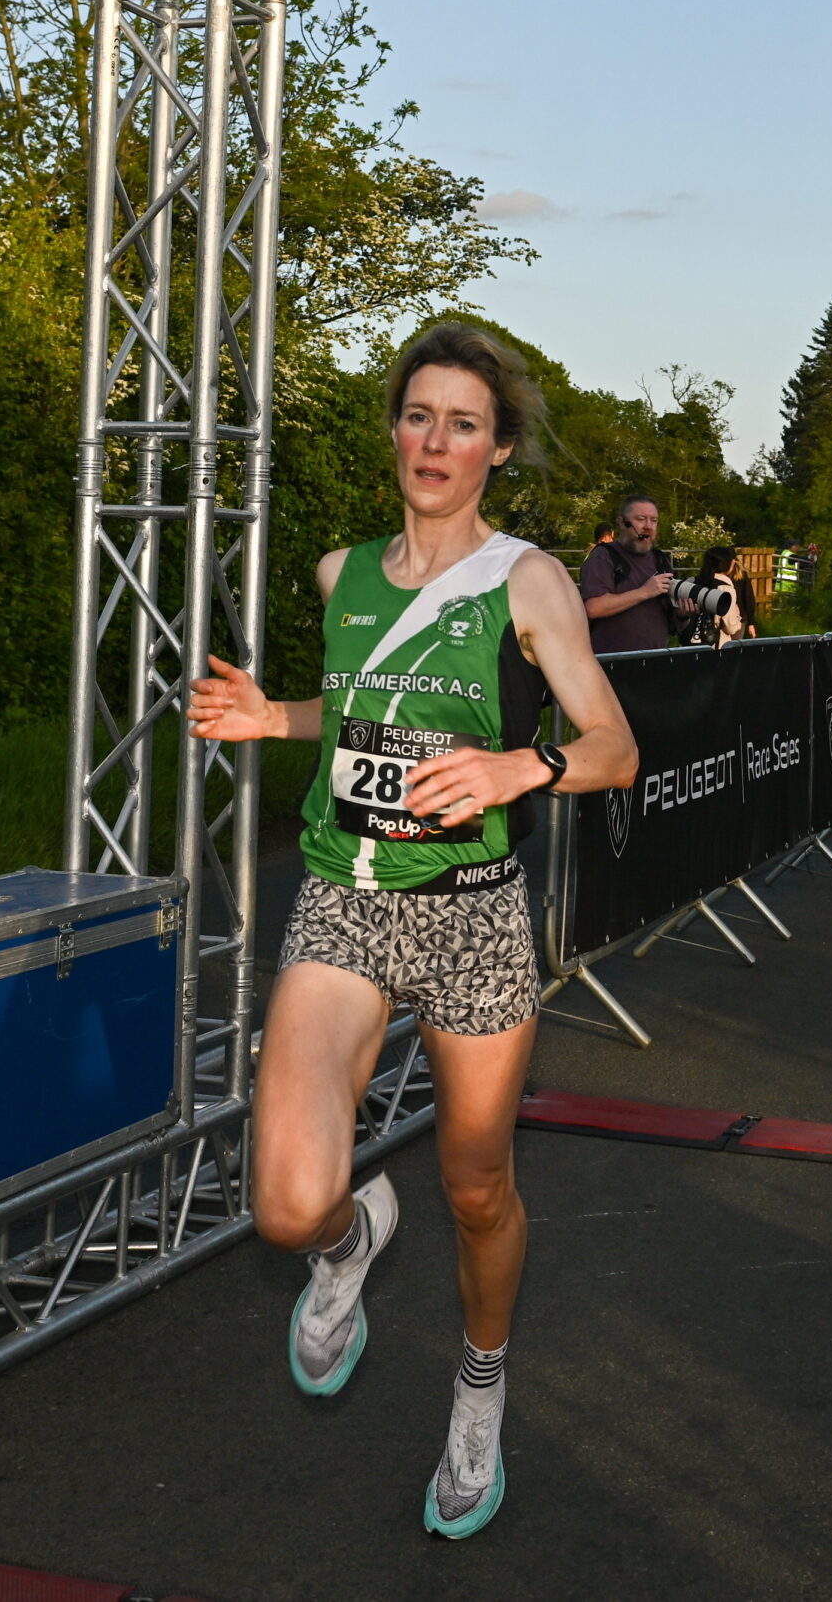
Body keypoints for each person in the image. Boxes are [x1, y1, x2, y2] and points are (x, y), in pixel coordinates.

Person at [185, 323, 639, 1542]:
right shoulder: (343, 574)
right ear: (394, 429)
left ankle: (479, 1384)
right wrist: (265, 715)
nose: (435, 441)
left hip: (475, 918)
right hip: (345, 900)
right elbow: (356, 708)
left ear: (497, 450)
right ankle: (352, 1238)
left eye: (463, 423)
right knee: (286, 1203)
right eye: (418, 415)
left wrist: (513, 765)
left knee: (479, 1185)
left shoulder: (528, 578)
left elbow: (611, 745)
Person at [580, 498, 673, 655]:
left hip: (657, 660)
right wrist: (644, 592)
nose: (648, 526)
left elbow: (668, 622)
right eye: (641, 519)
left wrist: (683, 614)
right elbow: (593, 608)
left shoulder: (660, 559)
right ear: (622, 523)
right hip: (614, 663)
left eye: (654, 520)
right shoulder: (603, 557)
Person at [677, 544, 753, 647]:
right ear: (730, 565)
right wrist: (738, 618)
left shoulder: (690, 582)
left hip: (688, 645)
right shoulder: (725, 589)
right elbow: (730, 627)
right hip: (715, 646)